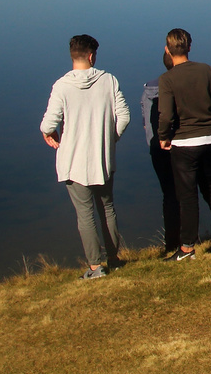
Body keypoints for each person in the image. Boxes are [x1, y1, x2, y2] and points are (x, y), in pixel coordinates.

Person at [40, 34, 131, 279]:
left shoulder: (61, 85)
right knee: (107, 209)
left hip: (73, 162)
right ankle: (114, 258)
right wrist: (110, 139)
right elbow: (124, 116)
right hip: (103, 161)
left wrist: (49, 134)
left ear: (74, 56)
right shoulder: (108, 81)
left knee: (85, 214)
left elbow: (49, 122)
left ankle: (94, 266)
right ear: (91, 56)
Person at [155, 28, 211, 260]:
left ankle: (187, 247)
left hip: (184, 142)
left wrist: (163, 136)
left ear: (168, 50)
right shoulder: (206, 70)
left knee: (187, 196)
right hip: (209, 139)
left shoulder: (167, 79)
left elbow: (166, 115)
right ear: (189, 47)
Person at [140, 51, 180, 256]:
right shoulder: (180, 85)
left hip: (157, 147)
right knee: (186, 192)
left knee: (169, 194)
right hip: (179, 145)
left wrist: (154, 143)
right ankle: (189, 239)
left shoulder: (149, 89)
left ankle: (172, 242)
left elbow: (146, 122)